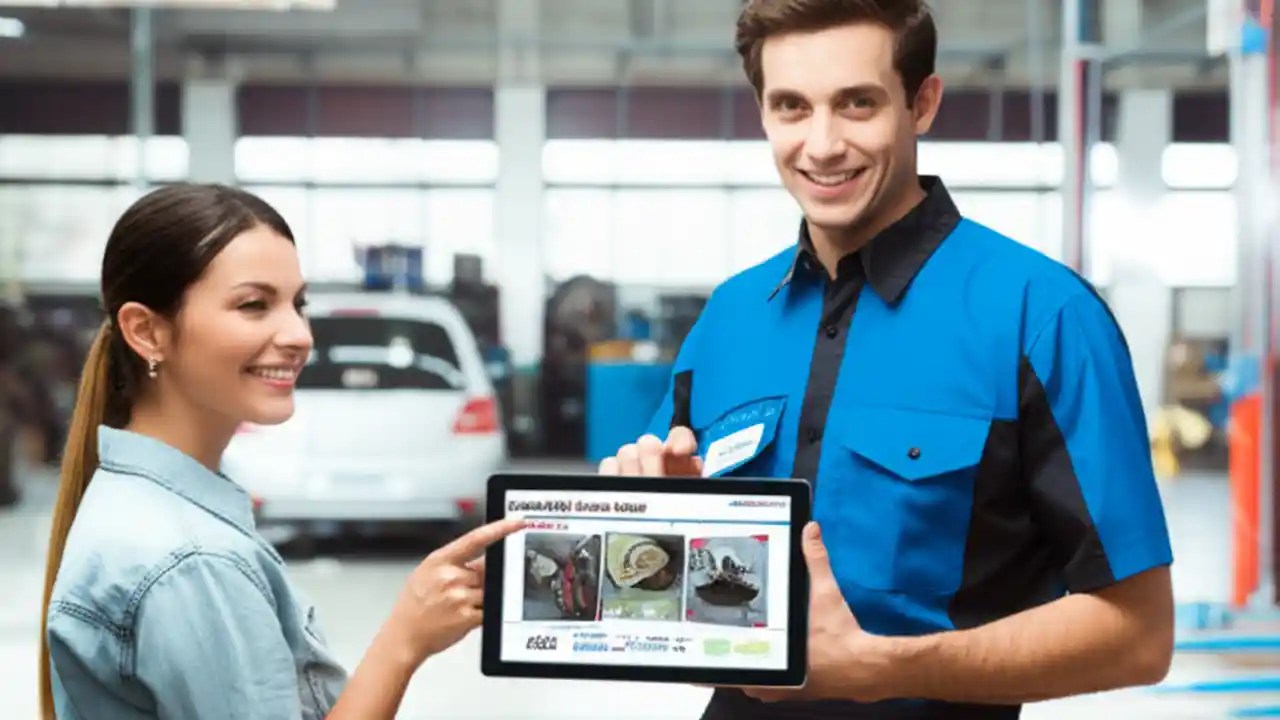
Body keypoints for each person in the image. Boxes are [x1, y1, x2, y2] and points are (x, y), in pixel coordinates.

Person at [597, 1, 1175, 718]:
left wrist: (885, 668)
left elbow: (1140, 634)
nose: (822, 145)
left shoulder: (1042, 315)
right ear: (764, 113)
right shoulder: (730, 317)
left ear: (921, 103)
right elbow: (659, 596)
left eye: (857, 104)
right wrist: (650, 520)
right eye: (792, 106)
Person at [37, 184, 525, 720]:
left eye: (298, 304)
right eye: (254, 305)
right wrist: (405, 640)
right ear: (147, 331)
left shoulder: (139, 504)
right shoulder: (193, 561)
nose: (299, 334)